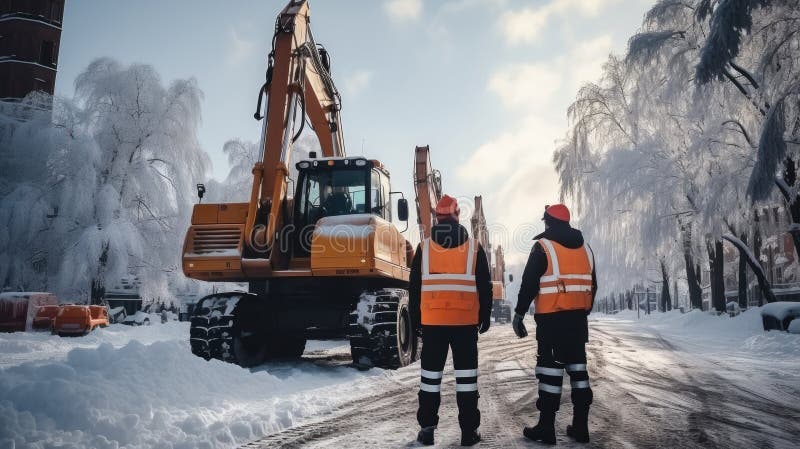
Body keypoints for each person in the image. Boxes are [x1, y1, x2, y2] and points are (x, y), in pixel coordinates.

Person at [409, 195, 493, 446]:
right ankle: (469, 432)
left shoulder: (424, 248)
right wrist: (484, 316)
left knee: (430, 379)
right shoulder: (474, 248)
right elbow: (485, 286)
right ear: (457, 215)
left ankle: (427, 430)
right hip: (465, 325)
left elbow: (414, 288)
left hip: (432, 325)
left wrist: (416, 321)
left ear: (437, 216)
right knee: (466, 379)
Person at [512, 204, 597, 445]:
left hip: (551, 322)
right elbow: (593, 285)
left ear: (548, 222)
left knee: (550, 374)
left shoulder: (543, 247)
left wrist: (519, 314)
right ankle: (581, 427)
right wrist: (581, 311)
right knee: (579, 373)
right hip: (578, 322)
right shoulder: (586, 249)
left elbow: (529, 283)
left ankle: (546, 428)